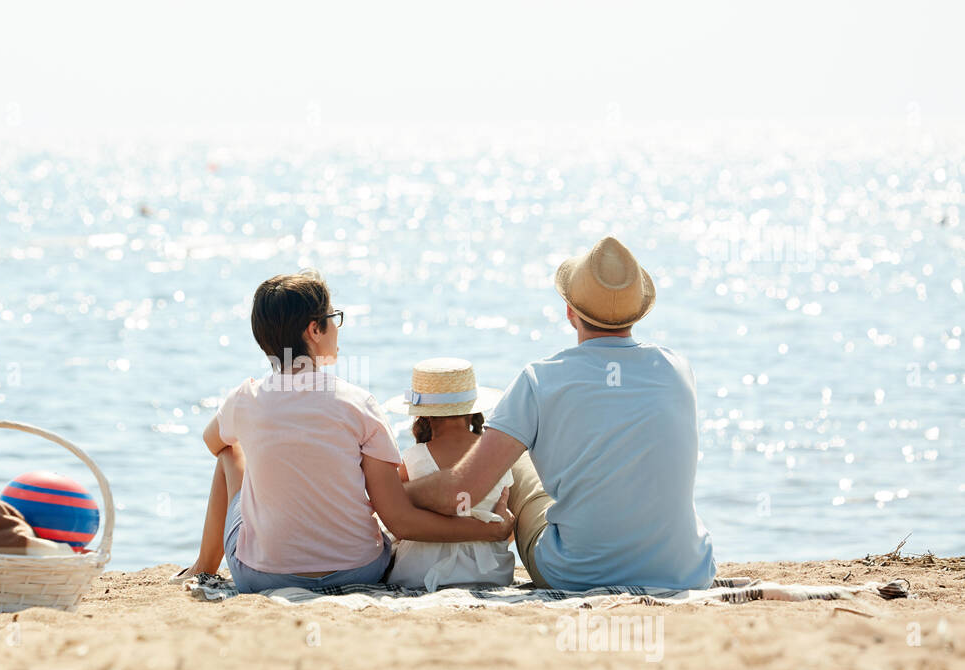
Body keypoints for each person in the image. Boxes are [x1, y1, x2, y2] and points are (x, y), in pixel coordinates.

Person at [404, 236, 717, 591]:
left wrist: (398, 492)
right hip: (687, 570)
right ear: (639, 310)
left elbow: (461, 494)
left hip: (575, 574)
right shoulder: (677, 368)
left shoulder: (540, 379)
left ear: (570, 312)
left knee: (516, 466)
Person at [177, 271, 514, 593]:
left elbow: (213, 443)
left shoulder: (244, 399)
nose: (337, 327)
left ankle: (202, 568)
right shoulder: (358, 403)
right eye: (333, 317)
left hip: (264, 576)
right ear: (314, 330)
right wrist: (485, 529)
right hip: (360, 569)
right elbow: (399, 521)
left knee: (229, 454)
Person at [382, 358, 515, 591]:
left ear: (423, 415)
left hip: (420, 572)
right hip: (490, 572)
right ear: (473, 410)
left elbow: (395, 514)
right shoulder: (495, 454)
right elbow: (506, 519)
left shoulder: (415, 457)